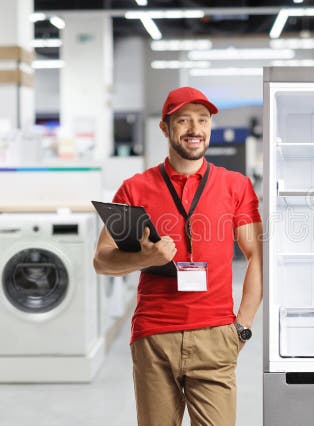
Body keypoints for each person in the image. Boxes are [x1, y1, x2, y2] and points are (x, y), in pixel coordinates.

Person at [93, 86, 263, 426]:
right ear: (165, 127)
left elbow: (256, 255)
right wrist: (146, 259)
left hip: (216, 334)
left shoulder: (235, 186)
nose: (195, 129)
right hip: (154, 335)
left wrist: (243, 326)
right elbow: (102, 259)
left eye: (203, 120)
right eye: (184, 120)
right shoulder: (135, 188)